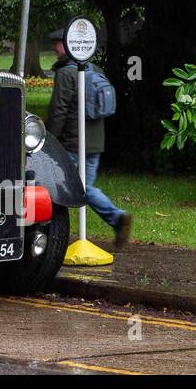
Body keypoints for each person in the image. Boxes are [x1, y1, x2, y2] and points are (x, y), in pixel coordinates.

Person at [47, 27, 133, 246]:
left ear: (67, 44)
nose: (55, 49)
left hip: (72, 142)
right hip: (94, 141)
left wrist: (49, 142)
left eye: (57, 44)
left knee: (64, 187)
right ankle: (115, 218)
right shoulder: (95, 69)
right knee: (85, 186)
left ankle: (115, 216)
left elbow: (59, 110)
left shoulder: (66, 73)